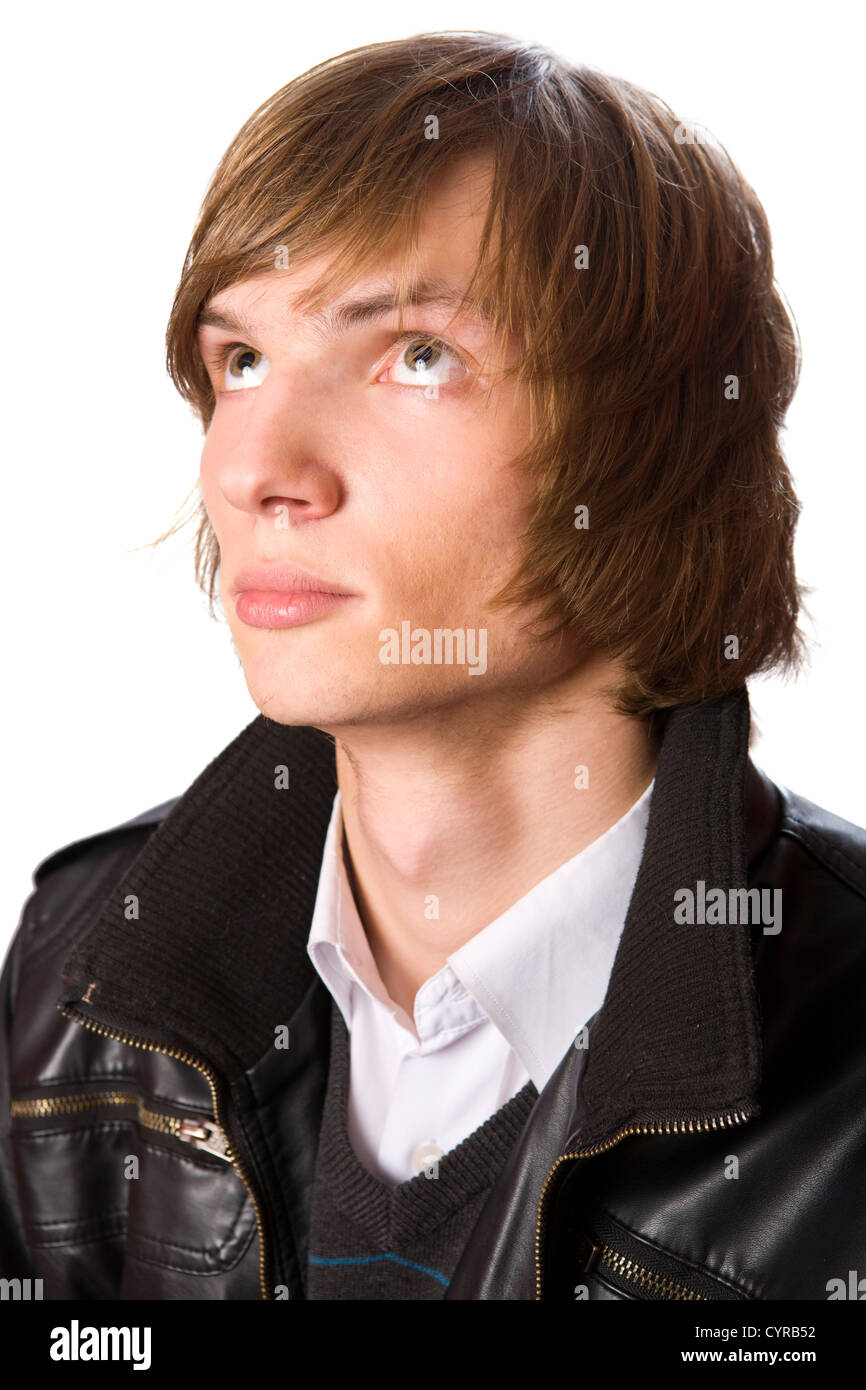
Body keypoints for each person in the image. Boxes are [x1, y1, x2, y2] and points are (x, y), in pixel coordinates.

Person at [1, 30, 864, 1302]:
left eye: (415, 355)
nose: (255, 471)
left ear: (656, 443)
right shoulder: (85, 966)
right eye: (241, 360)